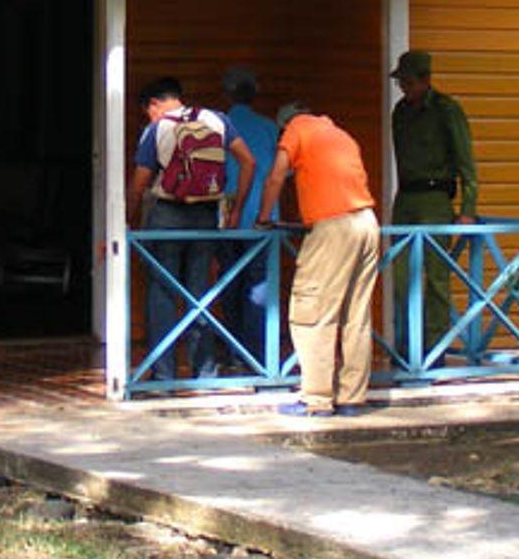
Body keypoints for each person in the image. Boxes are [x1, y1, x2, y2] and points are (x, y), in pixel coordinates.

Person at [254, 103, 380, 417]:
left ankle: (317, 398)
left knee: (310, 311)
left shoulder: (297, 128)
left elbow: (276, 176)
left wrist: (263, 217)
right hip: (367, 222)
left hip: (334, 227)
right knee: (356, 315)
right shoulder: (341, 135)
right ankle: (352, 398)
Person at [129, 77, 256, 383]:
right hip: (205, 215)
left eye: (148, 110)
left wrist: (127, 220)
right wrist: (237, 209)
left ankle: (164, 375)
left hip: (167, 216)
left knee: (162, 293)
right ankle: (205, 371)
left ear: (154, 104)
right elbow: (248, 162)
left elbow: (139, 183)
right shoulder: (217, 120)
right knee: (200, 292)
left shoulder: (157, 128)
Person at [389, 49, 477, 360]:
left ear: (426, 80)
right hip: (406, 198)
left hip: (436, 196)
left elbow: (466, 162)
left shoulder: (446, 110)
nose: (405, 88)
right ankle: (407, 345)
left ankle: (433, 347)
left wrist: (467, 209)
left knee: (437, 276)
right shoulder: (400, 112)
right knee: (400, 276)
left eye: (409, 82)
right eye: (401, 82)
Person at [219, 66, 280, 370]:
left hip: (225, 220)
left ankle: (232, 353)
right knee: (260, 284)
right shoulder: (269, 127)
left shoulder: (218, 127)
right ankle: (258, 356)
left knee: (230, 283)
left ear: (227, 94)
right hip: (263, 220)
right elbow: (286, 171)